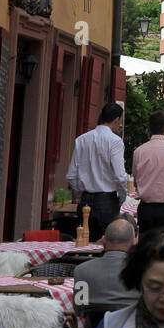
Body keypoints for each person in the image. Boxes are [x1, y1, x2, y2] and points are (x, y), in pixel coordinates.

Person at [66, 102, 128, 242]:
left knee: (84, 242)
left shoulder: (81, 140)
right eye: (121, 122)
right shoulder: (115, 141)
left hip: (86, 200)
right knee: (109, 244)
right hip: (107, 200)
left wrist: (82, 192)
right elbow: (120, 176)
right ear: (116, 119)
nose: (120, 125)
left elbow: (71, 176)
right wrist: (122, 196)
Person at [72, 216, 139, 318]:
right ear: (134, 242)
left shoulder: (81, 271)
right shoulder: (144, 272)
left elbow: (79, 309)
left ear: (103, 241)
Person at [132, 111, 164, 234]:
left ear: (150, 129)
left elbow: (135, 180)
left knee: (147, 250)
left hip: (146, 210)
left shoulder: (139, 151)